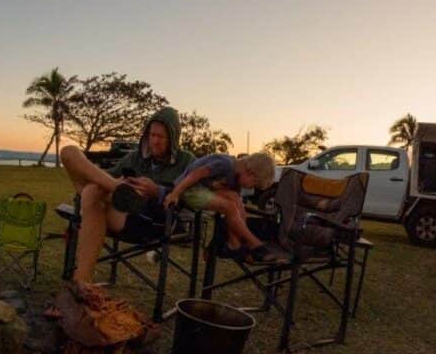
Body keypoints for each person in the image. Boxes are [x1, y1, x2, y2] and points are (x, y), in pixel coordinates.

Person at [59, 106, 194, 283]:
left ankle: (81, 284)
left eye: (161, 137)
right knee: (69, 153)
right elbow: (102, 177)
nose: (155, 141)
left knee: (91, 193)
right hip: (121, 210)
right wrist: (119, 182)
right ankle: (119, 188)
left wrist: (158, 191)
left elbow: (196, 197)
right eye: (152, 135)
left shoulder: (186, 161)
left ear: (173, 138)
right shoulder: (135, 157)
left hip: (153, 220)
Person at [157, 151, 279, 262]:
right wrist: (175, 193)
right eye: (254, 184)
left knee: (237, 202)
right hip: (188, 188)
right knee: (230, 207)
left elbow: (234, 201)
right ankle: (254, 243)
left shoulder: (236, 177)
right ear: (250, 173)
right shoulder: (225, 164)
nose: (251, 188)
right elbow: (195, 174)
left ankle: (234, 245)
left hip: (204, 188)